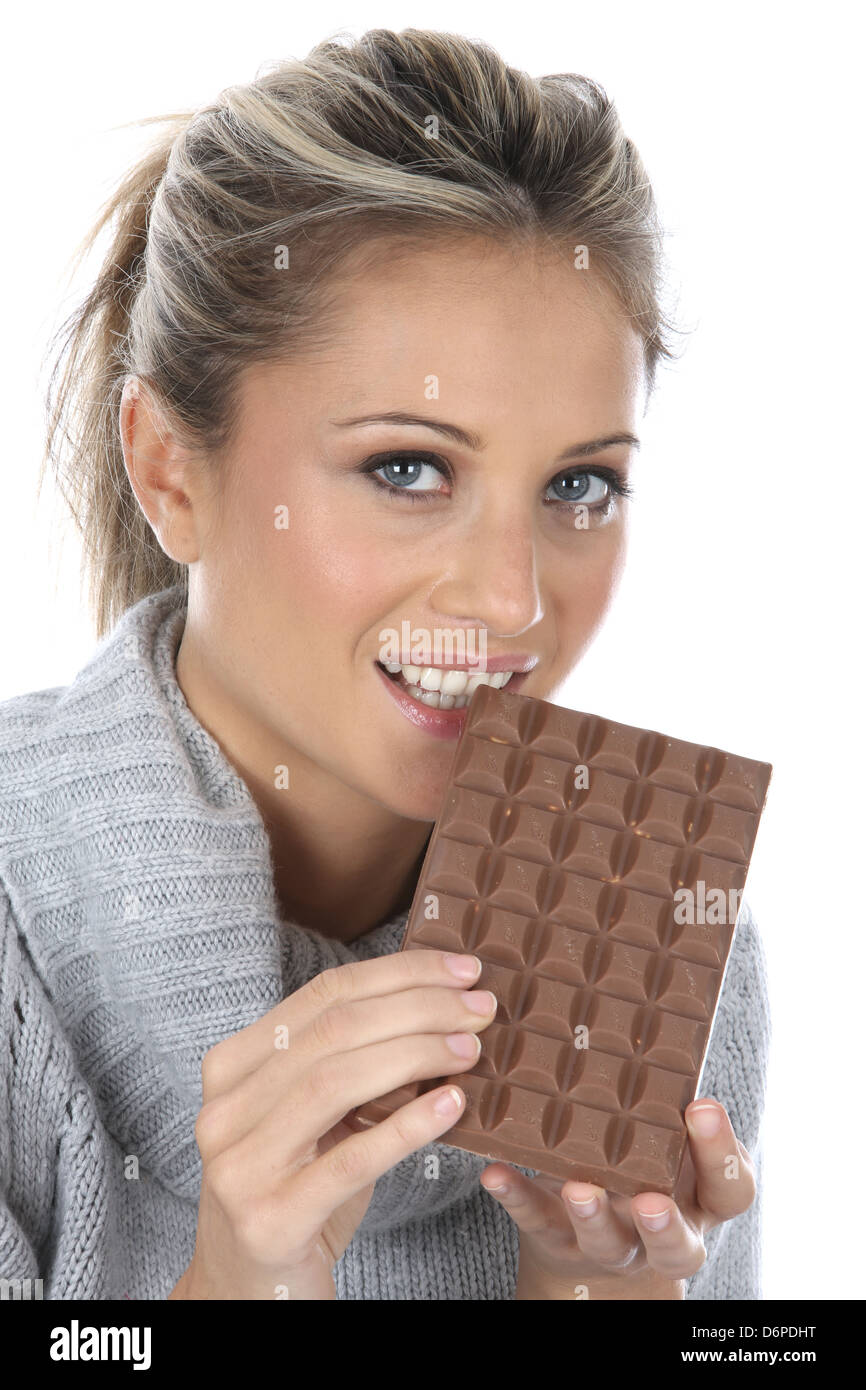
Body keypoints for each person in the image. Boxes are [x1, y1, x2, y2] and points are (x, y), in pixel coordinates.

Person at [0, 26, 770, 1300]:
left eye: (579, 484)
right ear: (167, 470)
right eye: (407, 468)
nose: (512, 598)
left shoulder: (681, 957)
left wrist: (600, 1300)